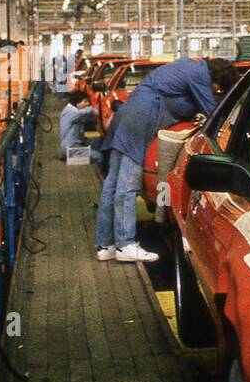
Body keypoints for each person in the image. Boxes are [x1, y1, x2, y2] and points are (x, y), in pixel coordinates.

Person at [95, 57, 238, 263]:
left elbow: (181, 102)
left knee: (112, 184)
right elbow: (213, 111)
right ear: (217, 79)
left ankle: (105, 244)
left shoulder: (189, 66)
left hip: (131, 115)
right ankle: (125, 244)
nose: (215, 91)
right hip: (140, 120)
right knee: (126, 185)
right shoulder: (199, 74)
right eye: (217, 89)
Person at [59, 91, 92, 159]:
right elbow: (86, 111)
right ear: (77, 102)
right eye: (85, 101)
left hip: (70, 147)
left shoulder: (69, 109)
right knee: (98, 156)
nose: (87, 104)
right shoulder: (72, 111)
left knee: (95, 143)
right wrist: (97, 106)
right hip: (71, 150)